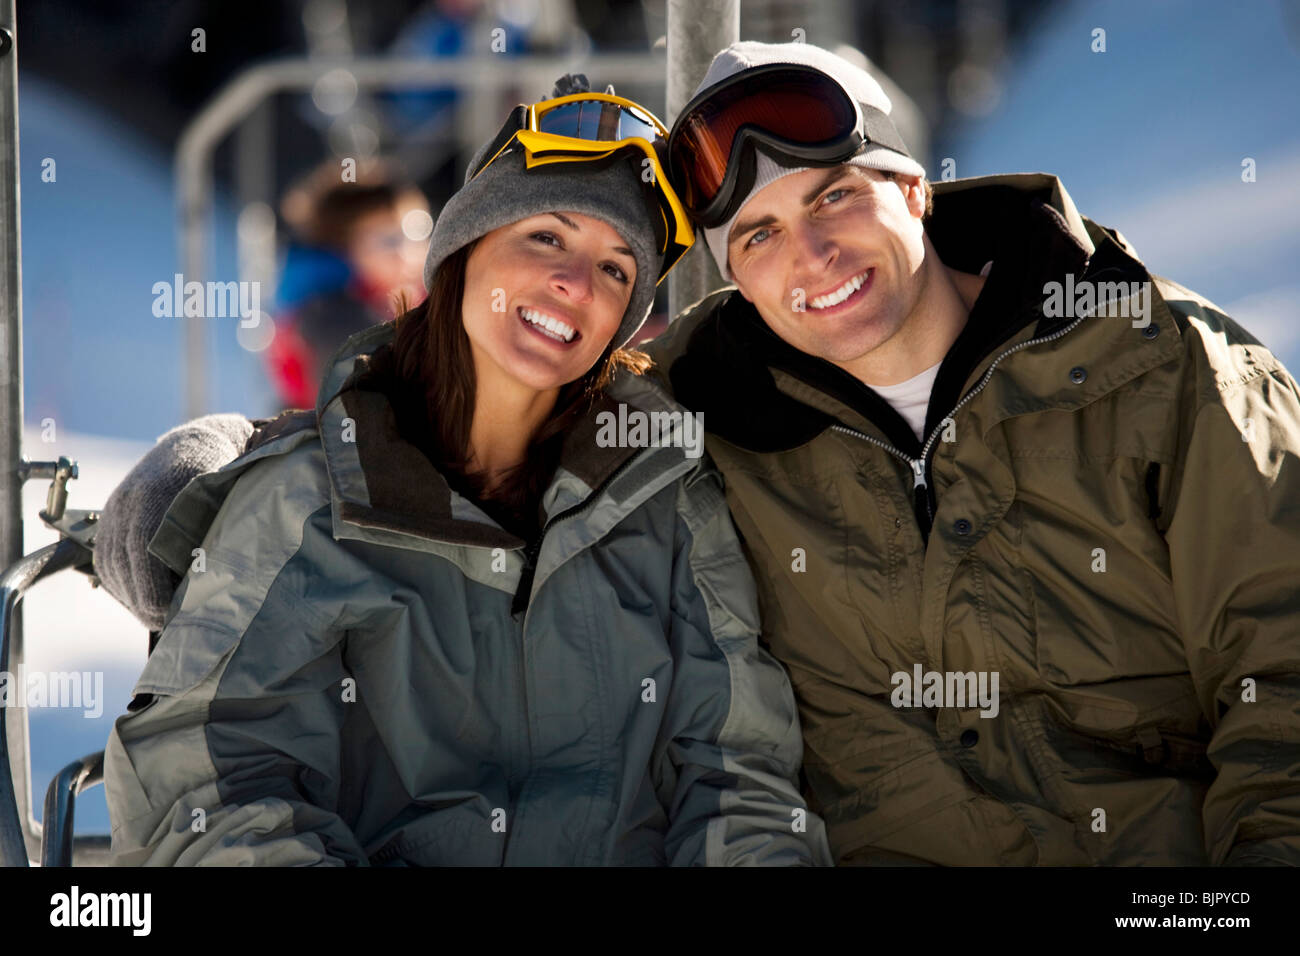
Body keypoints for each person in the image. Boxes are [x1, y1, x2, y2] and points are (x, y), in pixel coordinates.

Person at [101, 76, 831, 867]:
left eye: (617, 270)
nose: (576, 284)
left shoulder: (663, 497)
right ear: (463, 248)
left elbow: (737, 773)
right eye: (545, 237)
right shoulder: (309, 502)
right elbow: (206, 787)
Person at [644, 41, 1300, 865]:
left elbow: (1281, 677)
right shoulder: (703, 426)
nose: (811, 257)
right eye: (758, 236)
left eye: (836, 196)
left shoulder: (1160, 367)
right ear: (735, 277)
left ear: (915, 190)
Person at [266, 159, 431, 410]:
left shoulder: (401, 295)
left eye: (417, 233)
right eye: (388, 242)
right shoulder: (331, 315)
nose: (407, 252)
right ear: (345, 252)